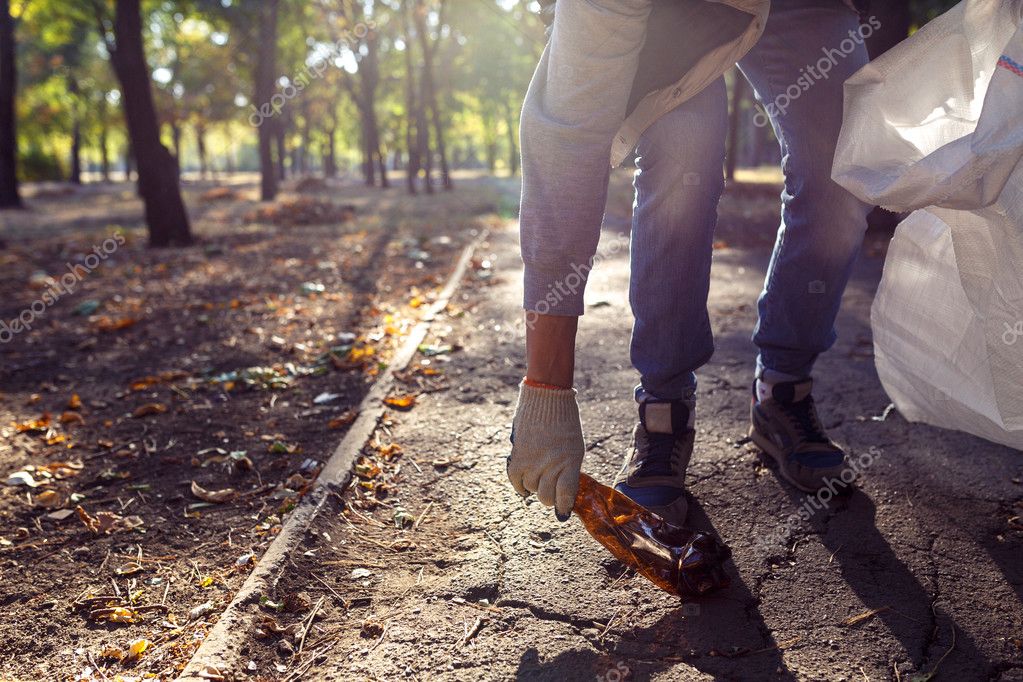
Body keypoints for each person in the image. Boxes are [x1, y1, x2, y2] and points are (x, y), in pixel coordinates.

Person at [507, 0, 873, 524]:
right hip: (667, 12)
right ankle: (664, 407)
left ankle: (783, 390)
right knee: (684, 153)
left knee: (843, 163)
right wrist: (546, 384)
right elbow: (567, 134)